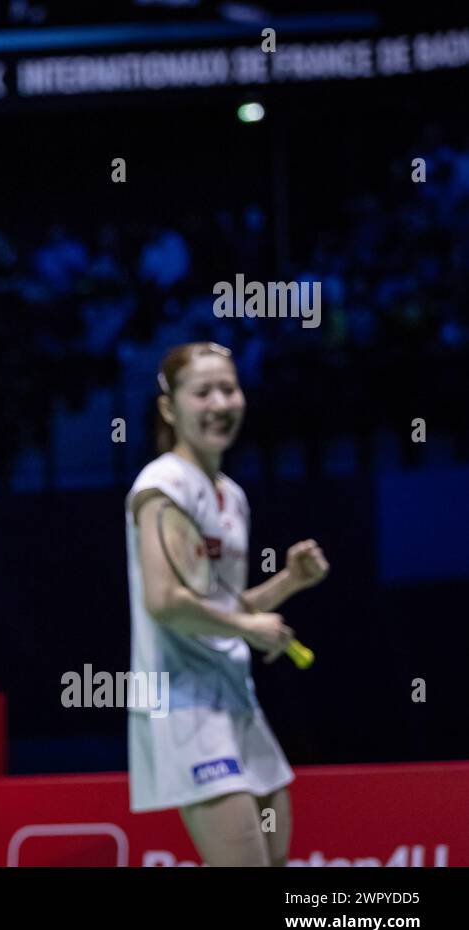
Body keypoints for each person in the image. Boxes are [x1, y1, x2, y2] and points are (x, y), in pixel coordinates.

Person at [126, 341, 327, 865]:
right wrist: (247, 626)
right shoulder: (162, 485)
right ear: (170, 408)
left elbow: (222, 607)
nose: (220, 402)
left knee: (276, 860)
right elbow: (165, 600)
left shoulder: (231, 495)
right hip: (185, 704)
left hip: (236, 698)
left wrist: (289, 581)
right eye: (203, 392)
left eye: (229, 388)